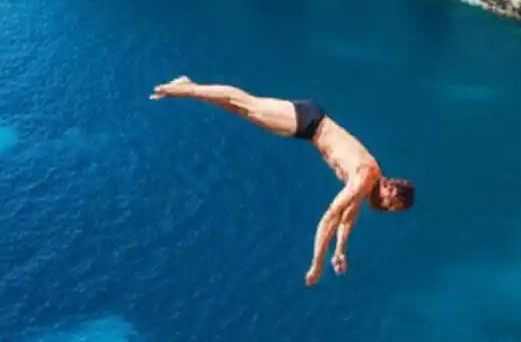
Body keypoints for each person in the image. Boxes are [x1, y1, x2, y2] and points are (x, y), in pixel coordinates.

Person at [151, 77, 415, 286]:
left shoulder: (368, 180)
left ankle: (189, 88)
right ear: (391, 190)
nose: (387, 209)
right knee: (245, 102)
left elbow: (348, 216)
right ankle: (184, 88)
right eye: (393, 205)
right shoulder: (366, 176)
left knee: (242, 109)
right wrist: (317, 264)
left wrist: (341, 250)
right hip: (308, 123)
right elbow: (331, 216)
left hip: (309, 125)